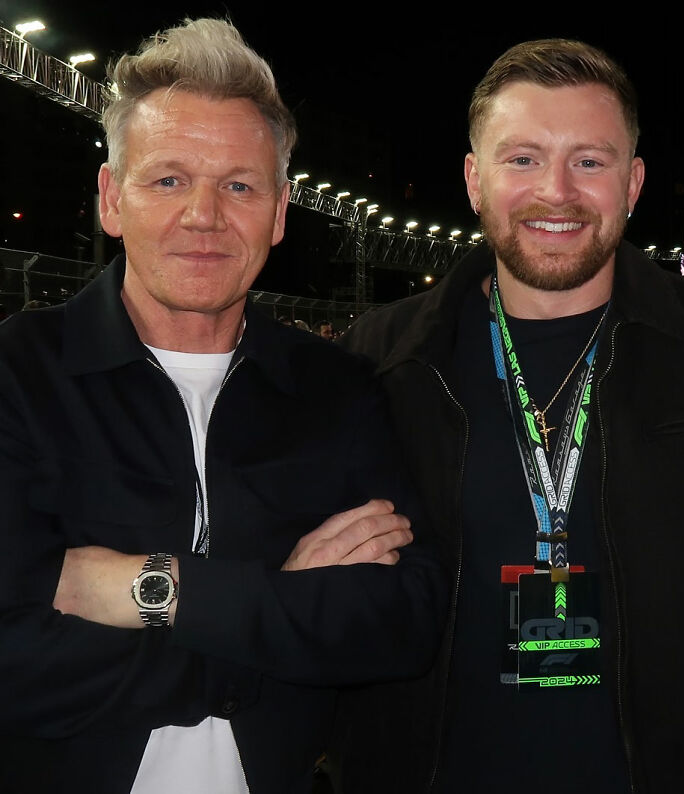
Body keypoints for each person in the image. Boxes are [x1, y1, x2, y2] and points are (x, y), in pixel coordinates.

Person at [0, 18, 448, 794]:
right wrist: (275, 606)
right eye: (168, 179)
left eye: (239, 185)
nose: (204, 215)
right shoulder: (18, 373)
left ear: (277, 213)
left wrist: (152, 589)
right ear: (112, 199)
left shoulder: (336, 387)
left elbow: (399, 622)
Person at [334, 38, 684, 794]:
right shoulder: (382, 359)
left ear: (632, 183)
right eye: (523, 159)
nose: (556, 192)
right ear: (476, 179)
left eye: (589, 162)